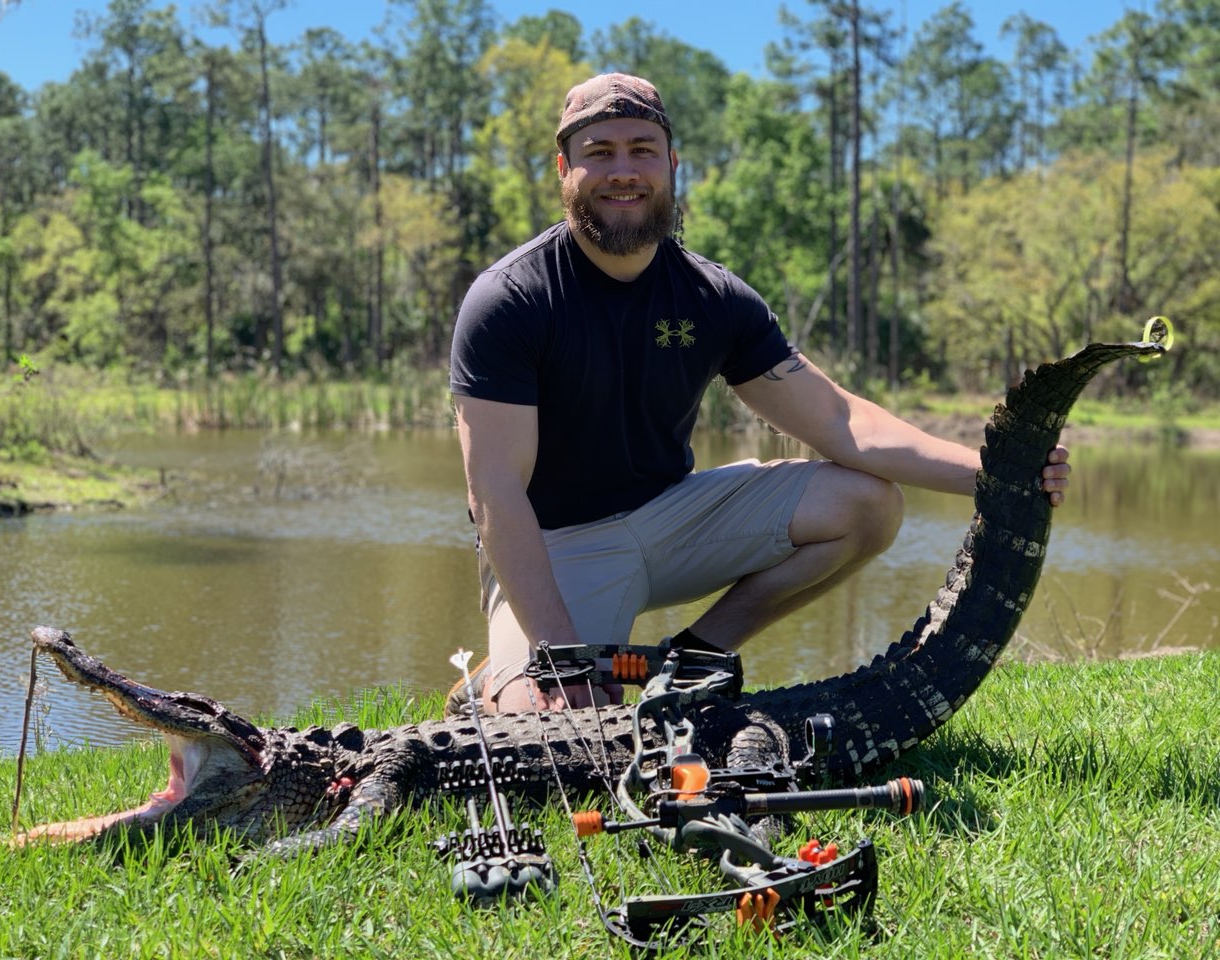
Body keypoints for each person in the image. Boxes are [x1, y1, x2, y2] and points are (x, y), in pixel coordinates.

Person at [447, 73, 1070, 716]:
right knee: (550, 727)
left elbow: (838, 419)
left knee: (865, 504)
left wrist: (997, 472)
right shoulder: (511, 299)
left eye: (642, 149)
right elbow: (493, 489)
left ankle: (697, 658)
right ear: (563, 168)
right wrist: (557, 651)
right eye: (599, 152)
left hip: (671, 518)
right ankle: (502, 678)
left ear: (672, 163)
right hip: (557, 543)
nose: (623, 171)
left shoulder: (713, 299)